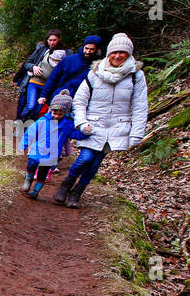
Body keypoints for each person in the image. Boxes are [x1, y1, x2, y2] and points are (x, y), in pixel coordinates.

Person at [52, 33, 148, 209]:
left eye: (123, 52)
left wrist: (136, 134)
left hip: (117, 127)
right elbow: (80, 100)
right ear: (108, 53)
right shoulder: (95, 73)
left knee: (95, 163)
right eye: (114, 52)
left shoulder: (136, 76)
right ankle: (66, 184)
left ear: (129, 54)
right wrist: (81, 122)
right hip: (93, 124)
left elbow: (140, 106)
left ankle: (77, 193)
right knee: (85, 158)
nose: (118, 56)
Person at [20, 91, 81, 199]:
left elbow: (75, 134)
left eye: (60, 114)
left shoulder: (67, 125)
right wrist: (24, 144)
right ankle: (27, 182)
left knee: (43, 173)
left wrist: (85, 133)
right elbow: (31, 131)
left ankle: (35, 191)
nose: (56, 116)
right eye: (54, 113)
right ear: (50, 110)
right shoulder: (43, 120)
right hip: (37, 149)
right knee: (31, 165)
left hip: (52, 154)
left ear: (66, 113)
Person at [39, 35, 103, 111]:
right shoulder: (68, 60)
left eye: (92, 49)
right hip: (60, 97)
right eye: (86, 48)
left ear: (97, 50)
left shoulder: (99, 65)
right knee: (54, 120)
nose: (88, 51)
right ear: (83, 47)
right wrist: (44, 95)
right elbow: (53, 78)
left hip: (81, 102)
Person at [13, 30, 64, 118]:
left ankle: (28, 128)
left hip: (48, 87)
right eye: (50, 40)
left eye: (54, 40)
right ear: (47, 40)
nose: (52, 42)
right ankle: (20, 121)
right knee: (31, 106)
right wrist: (33, 67)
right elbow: (27, 63)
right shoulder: (42, 50)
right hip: (34, 82)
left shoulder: (63, 53)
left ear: (59, 39)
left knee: (38, 110)